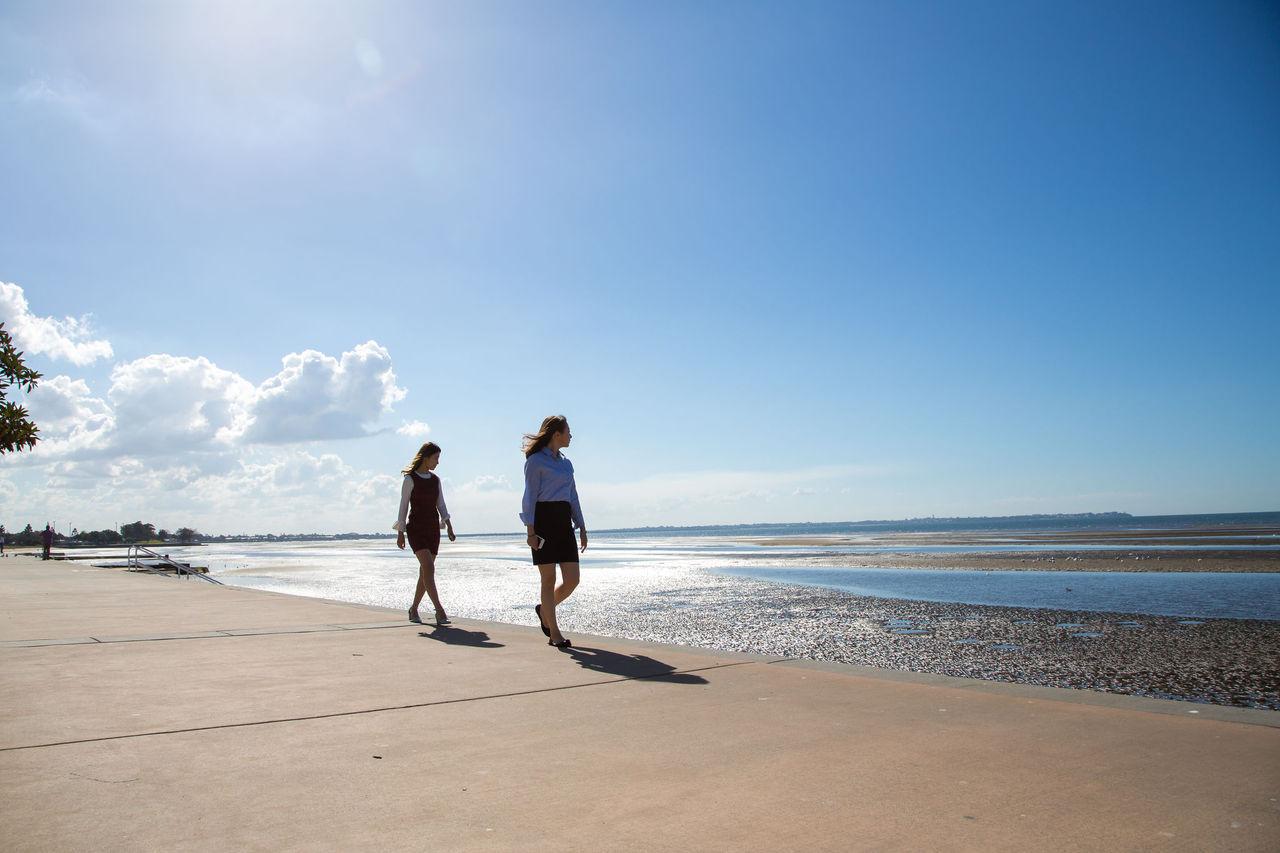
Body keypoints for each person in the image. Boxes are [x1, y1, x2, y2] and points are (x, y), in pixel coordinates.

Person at [521, 415, 587, 648]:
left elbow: (573, 496)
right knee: (548, 580)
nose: (571, 436)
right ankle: (554, 633)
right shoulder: (535, 461)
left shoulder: (567, 464)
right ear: (556, 434)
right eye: (568, 431)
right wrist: (530, 531)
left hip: (564, 522)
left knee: (572, 580)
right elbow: (529, 497)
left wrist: (581, 526)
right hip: (543, 522)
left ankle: (544, 610)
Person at [394, 442, 456, 625]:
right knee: (428, 568)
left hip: (433, 530)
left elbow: (441, 504)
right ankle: (439, 611)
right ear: (426, 457)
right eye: (435, 458)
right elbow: (403, 506)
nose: (437, 462)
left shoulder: (436, 480)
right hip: (416, 529)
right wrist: (400, 532)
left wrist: (449, 526)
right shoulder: (410, 479)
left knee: (425, 571)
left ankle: (413, 609)